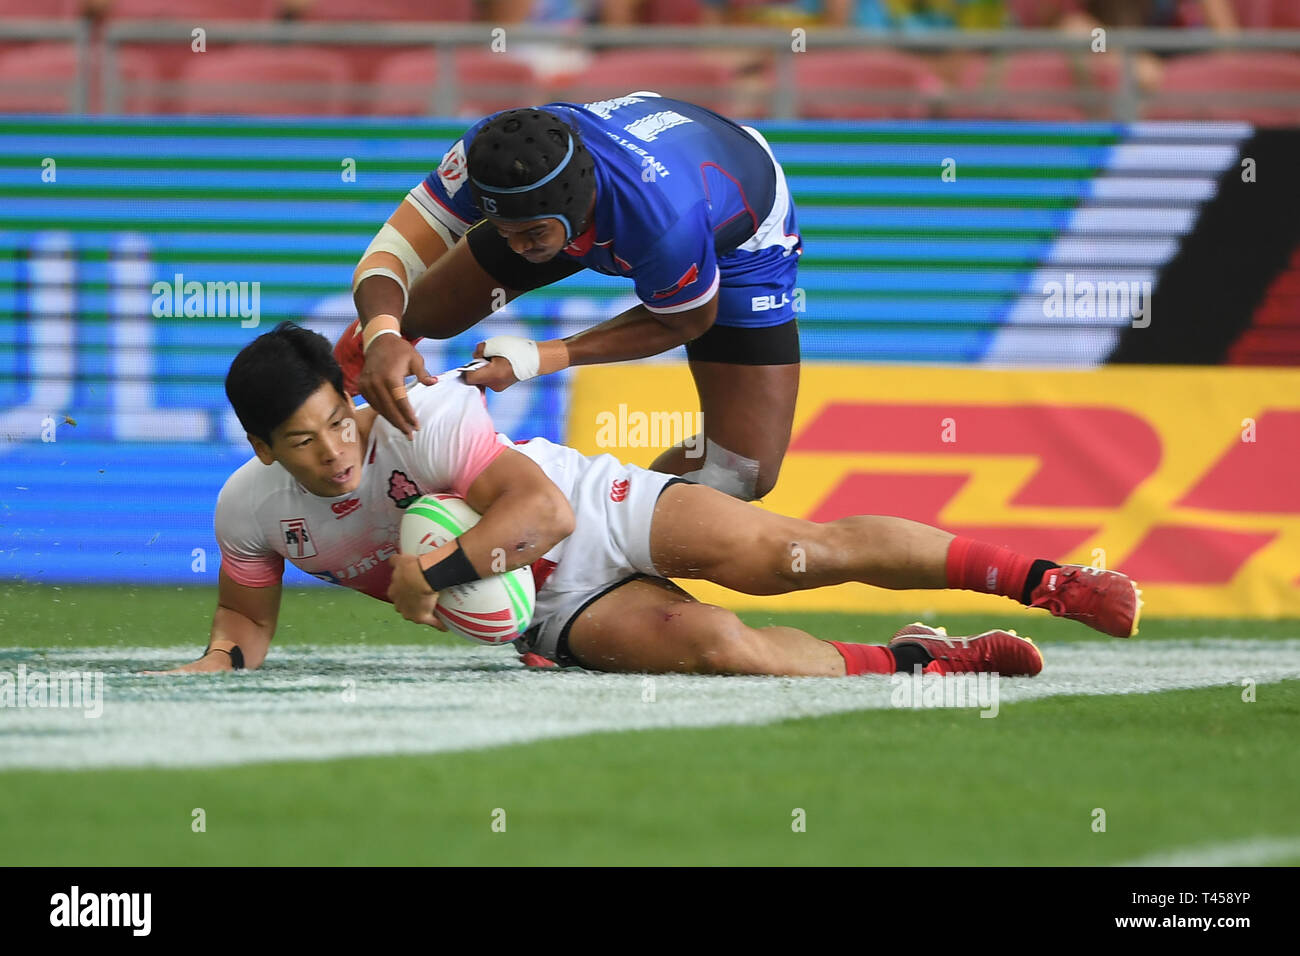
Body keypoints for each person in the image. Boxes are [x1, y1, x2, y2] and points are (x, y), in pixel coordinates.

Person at [152, 322, 1141, 677]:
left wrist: (434, 573)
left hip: (589, 502)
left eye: (339, 420)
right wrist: (211, 666)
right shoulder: (250, 509)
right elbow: (243, 623)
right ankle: (919, 658)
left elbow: (542, 514)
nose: (333, 450)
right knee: (720, 648)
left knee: (790, 552)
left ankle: (1047, 578)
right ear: (258, 447)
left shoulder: (420, 414)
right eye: (303, 441)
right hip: (548, 606)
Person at [334, 95, 804, 502]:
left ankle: (612, 546)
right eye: (503, 231)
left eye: (531, 233)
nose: (517, 247)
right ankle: (317, 414)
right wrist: (382, 335)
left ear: (579, 208)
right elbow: (393, 253)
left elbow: (686, 322)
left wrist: (542, 357)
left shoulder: (661, 224)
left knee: (741, 472)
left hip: (739, 232)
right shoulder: (492, 151)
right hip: (624, 166)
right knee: (412, 312)